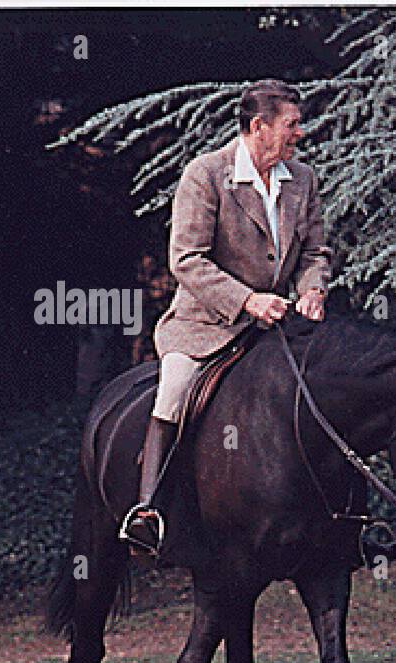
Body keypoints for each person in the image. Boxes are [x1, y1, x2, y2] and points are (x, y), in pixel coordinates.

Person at [119, 79, 333, 555]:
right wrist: (246, 301)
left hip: (278, 324)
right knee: (173, 390)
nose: (300, 133)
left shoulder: (303, 179)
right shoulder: (206, 175)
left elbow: (315, 251)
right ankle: (149, 511)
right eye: (291, 125)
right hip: (206, 325)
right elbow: (187, 260)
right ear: (259, 126)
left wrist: (313, 288)